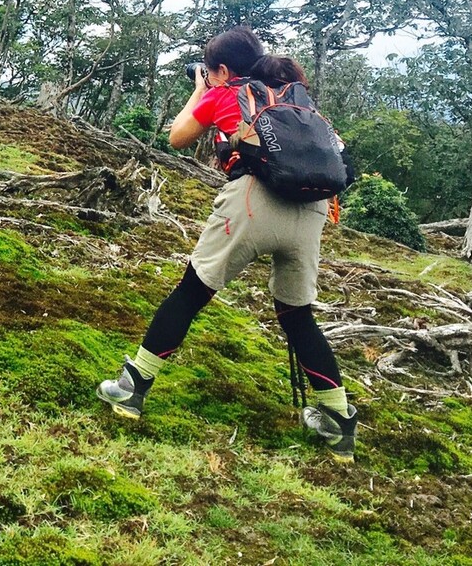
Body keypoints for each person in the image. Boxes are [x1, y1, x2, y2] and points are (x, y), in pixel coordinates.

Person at [96, 25, 360, 462]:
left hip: (254, 201)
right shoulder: (295, 97)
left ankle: (132, 388)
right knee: (297, 315)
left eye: (210, 70)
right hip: (313, 210)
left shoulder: (226, 91)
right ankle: (337, 421)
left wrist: (200, 90)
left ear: (221, 68)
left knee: (191, 293)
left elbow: (177, 137)